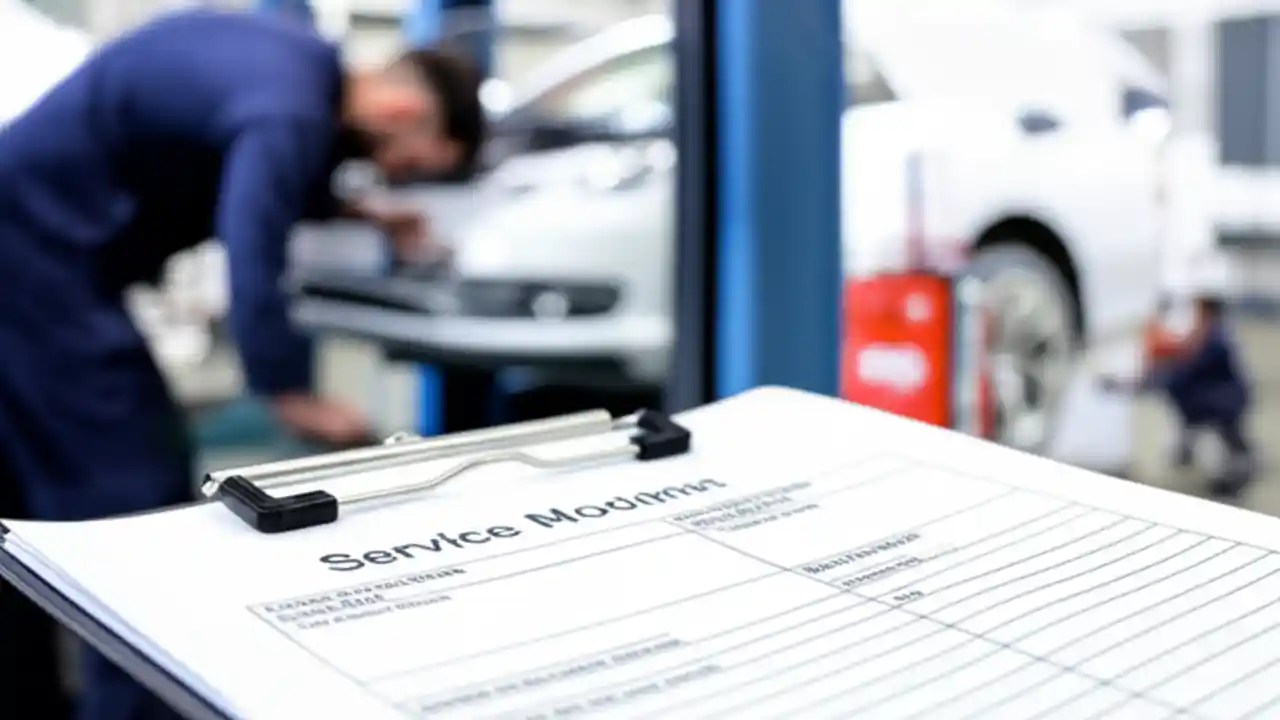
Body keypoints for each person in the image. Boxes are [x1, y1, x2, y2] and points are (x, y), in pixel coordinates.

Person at [0, 8, 484, 720]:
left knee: (23, 510)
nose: (385, 170)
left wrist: (370, 219)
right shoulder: (291, 106)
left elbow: (275, 173)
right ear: (403, 108)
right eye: (403, 163)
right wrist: (289, 390)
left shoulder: (293, 66)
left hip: (26, 248)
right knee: (132, 514)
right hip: (38, 262)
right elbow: (252, 244)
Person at [1103, 294, 1255, 497]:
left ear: (1208, 313)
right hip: (1217, 401)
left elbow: (1183, 371)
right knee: (1223, 437)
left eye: (1198, 311)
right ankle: (1217, 466)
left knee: (1228, 440)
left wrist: (1132, 385)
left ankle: (1232, 473)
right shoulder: (1209, 337)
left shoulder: (1213, 341)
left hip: (1220, 402)